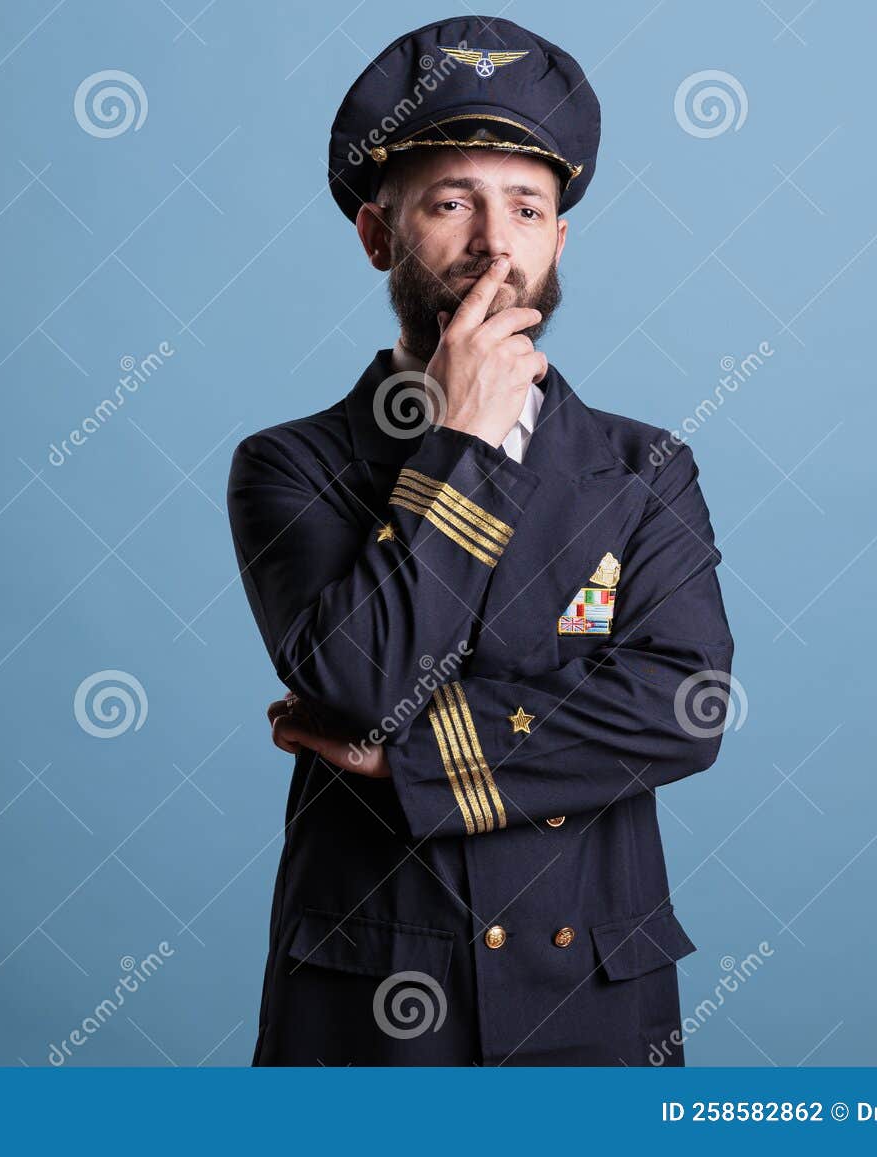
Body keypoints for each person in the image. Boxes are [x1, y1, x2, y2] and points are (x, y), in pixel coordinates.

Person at [225, 15, 736, 1066]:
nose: (494, 243)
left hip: (593, 993)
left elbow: (684, 710)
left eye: (527, 207)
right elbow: (360, 677)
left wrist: (403, 755)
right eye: (451, 202)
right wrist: (460, 439)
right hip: (372, 1002)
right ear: (377, 234)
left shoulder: (646, 469)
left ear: (558, 239)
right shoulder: (289, 463)